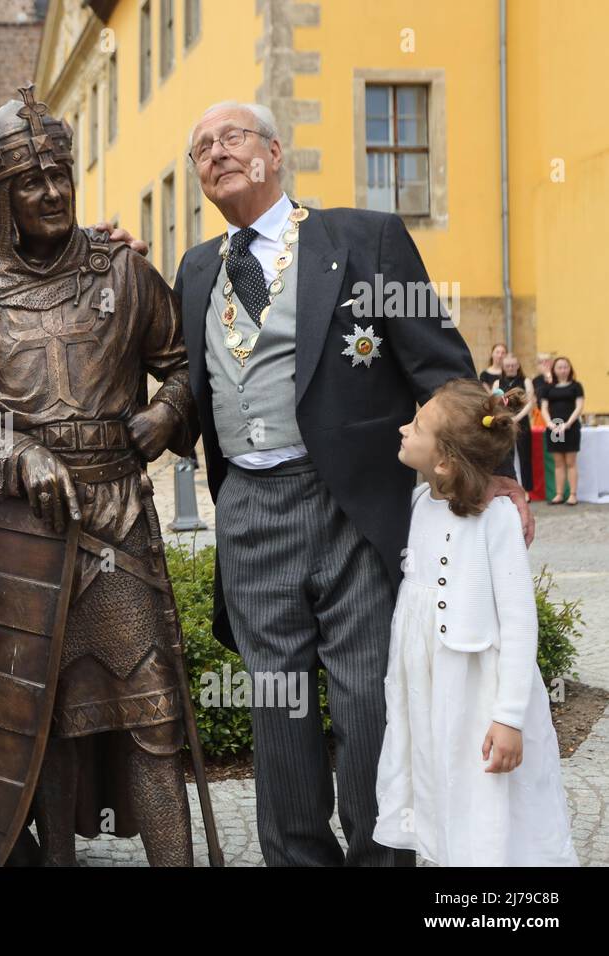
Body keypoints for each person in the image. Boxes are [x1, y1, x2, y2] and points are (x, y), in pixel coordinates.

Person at [168, 100, 532, 866]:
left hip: (351, 506)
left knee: (369, 697)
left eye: (232, 137)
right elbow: (182, 383)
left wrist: (495, 474)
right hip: (247, 511)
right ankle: (296, 858)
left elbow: (441, 365)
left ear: (273, 150)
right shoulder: (198, 268)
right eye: (202, 148)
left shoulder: (362, 238)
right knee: (276, 706)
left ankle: (382, 856)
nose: (217, 153)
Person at [0, 86, 204, 867]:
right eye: (30, 182)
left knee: (151, 718)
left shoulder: (124, 273)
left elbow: (182, 366)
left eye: (59, 176)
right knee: (44, 726)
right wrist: (19, 456)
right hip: (25, 542)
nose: (50, 192)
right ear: (0, 195)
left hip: (116, 520)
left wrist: (167, 414)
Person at [373, 379, 578, 866]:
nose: (404, 427)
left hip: (478, 693)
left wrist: (509, 717)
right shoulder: (419, 505)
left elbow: (519, 620)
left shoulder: (497, 519)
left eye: (417, 425)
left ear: (443, 461)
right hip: (429, 690)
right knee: (441, 789)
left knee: (489, 795)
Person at [541, 356, 585, 505]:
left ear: (570, 369)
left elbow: (579, 407)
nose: (563, 370)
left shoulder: (576, 386)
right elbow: (544, 408)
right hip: (554, 429)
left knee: (571, 462)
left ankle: (573, 494)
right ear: (554, 370)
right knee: (558, 463)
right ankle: (559, 494)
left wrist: (567, 424)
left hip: (570, 428)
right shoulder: (548, 388)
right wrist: (549, 424)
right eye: (559, 367)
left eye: (565, 367)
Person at [497, 353, 535, 494]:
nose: (511, 368)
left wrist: (517, 418)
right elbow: (495, 403)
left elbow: (530, 402)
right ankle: (510, 489)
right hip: (505, 425)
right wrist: (505, 418)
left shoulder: (526, 381)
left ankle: (526, 490)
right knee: (507, 458)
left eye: (513, 365)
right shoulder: (498, 383)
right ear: (503, 367)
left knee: (525, 457)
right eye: (508, 365)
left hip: (522, 423)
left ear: (518, 366)